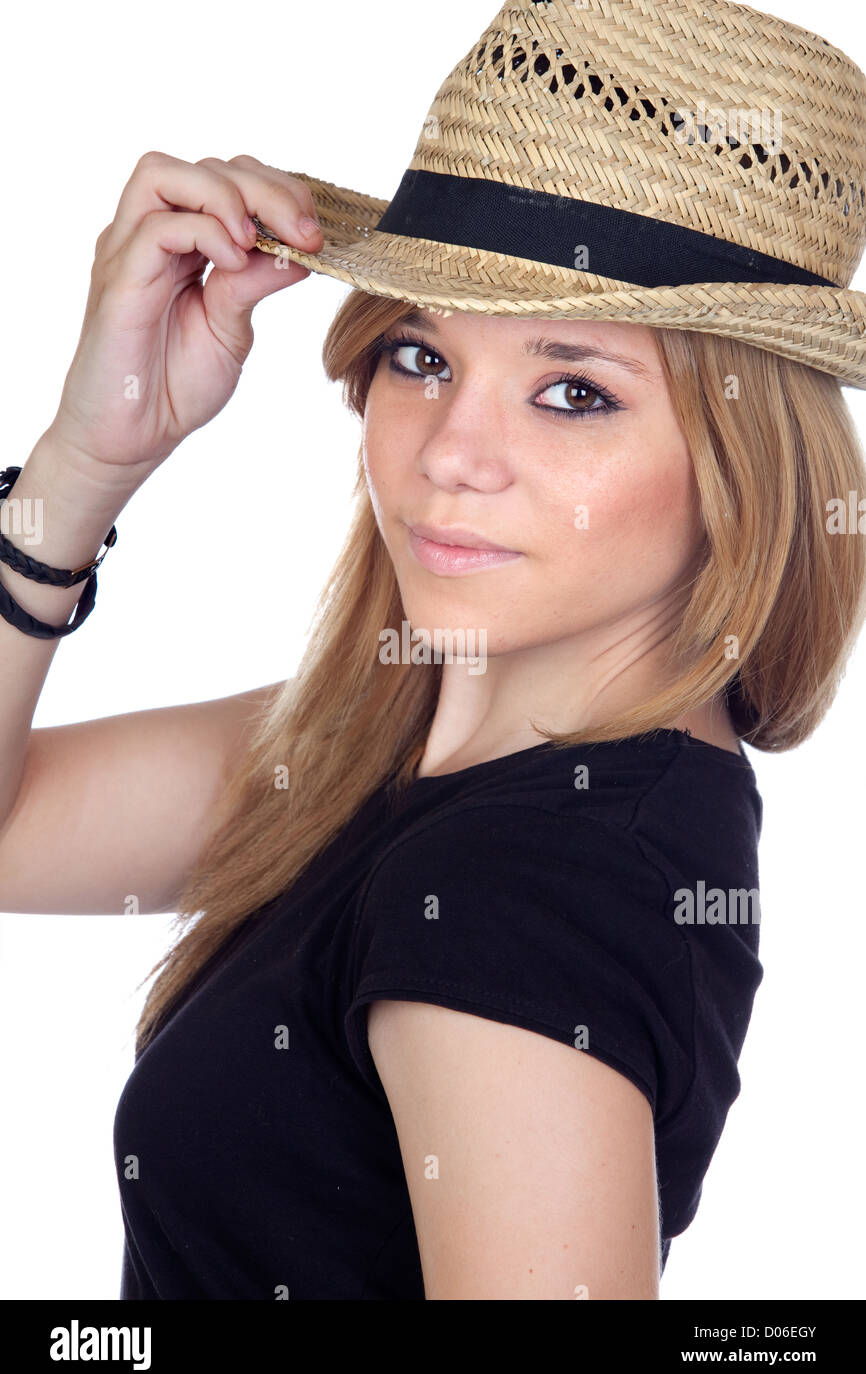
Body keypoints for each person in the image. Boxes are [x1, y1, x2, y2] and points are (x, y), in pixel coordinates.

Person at [1, 0, 865, 1299]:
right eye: (420, 354)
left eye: (572, 388)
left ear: (737, 467)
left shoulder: (531, 883)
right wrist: (79, 470)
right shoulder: (379, 740)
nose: (448, 451)